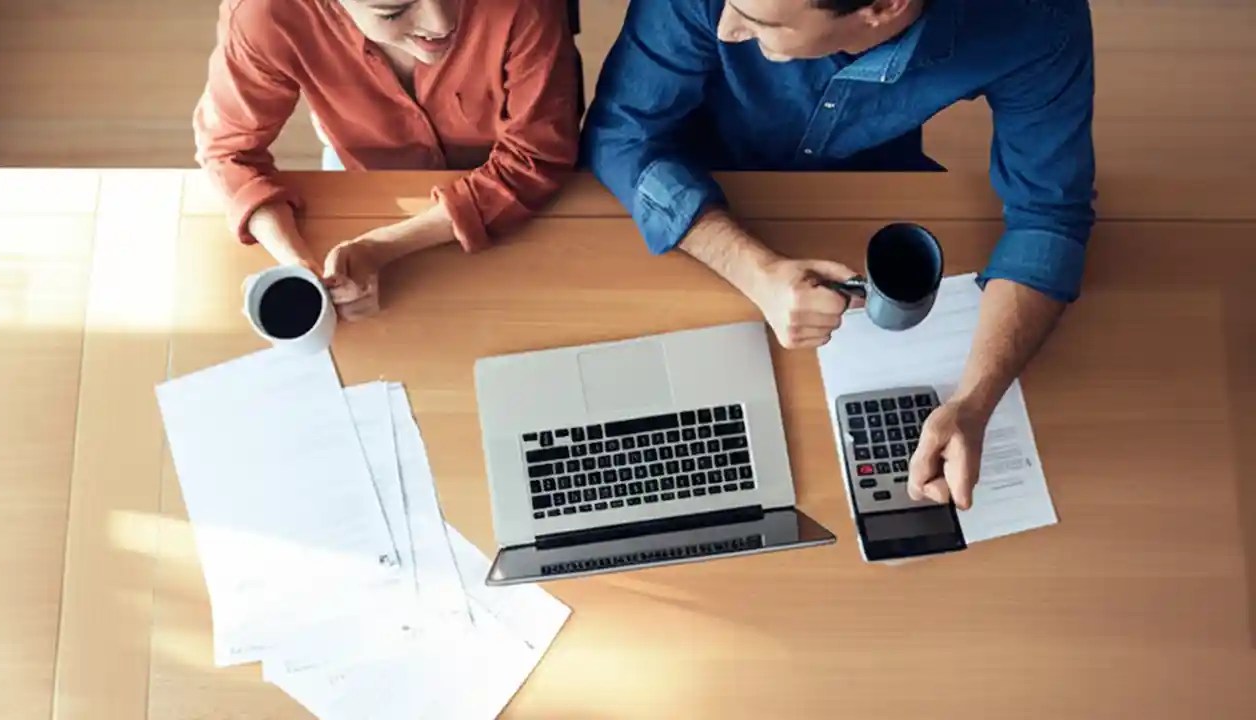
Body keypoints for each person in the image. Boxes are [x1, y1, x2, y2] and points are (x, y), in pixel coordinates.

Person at [581, 0, 1095, 511]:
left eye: (760, 23)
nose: (725, 28)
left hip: (868, 188)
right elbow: (619, 135)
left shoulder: (1035, 15)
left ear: (884, 8)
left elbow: (1049, 216)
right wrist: (751, 269)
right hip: (692, 197)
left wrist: (975, 403)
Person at [194, 0, 579, 321]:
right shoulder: (264, 13)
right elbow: (228, 151)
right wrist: (297, 264)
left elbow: (536, 157)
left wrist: (383, 247)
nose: (441, 22)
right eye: (393, 11)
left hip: (511, 192)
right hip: (362, 173)